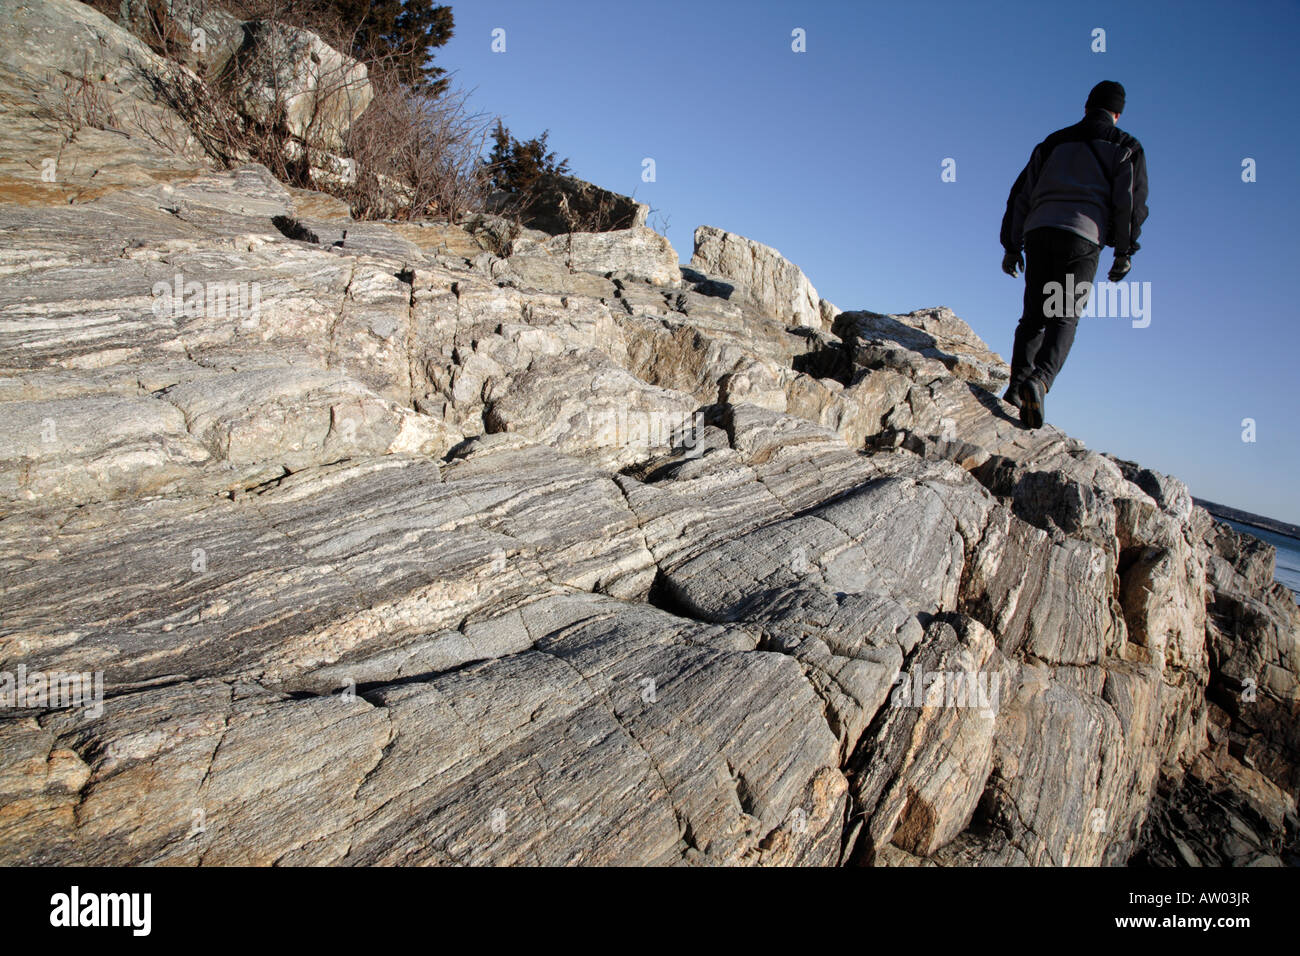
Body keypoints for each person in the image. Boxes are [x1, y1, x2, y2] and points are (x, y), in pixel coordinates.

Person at [999, 80, 1149, 428]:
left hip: (1039, 231)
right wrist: (1124, 251)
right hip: (1083, 237)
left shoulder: (1053, 141)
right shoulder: (1127, 146)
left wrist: (1011, 244)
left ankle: (1017, 384)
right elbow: (1130, 203)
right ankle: (1040, 380)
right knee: (1064, 314)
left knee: (1033, 315)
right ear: (1117, 113)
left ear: (1086, 107)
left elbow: (1020, 193)